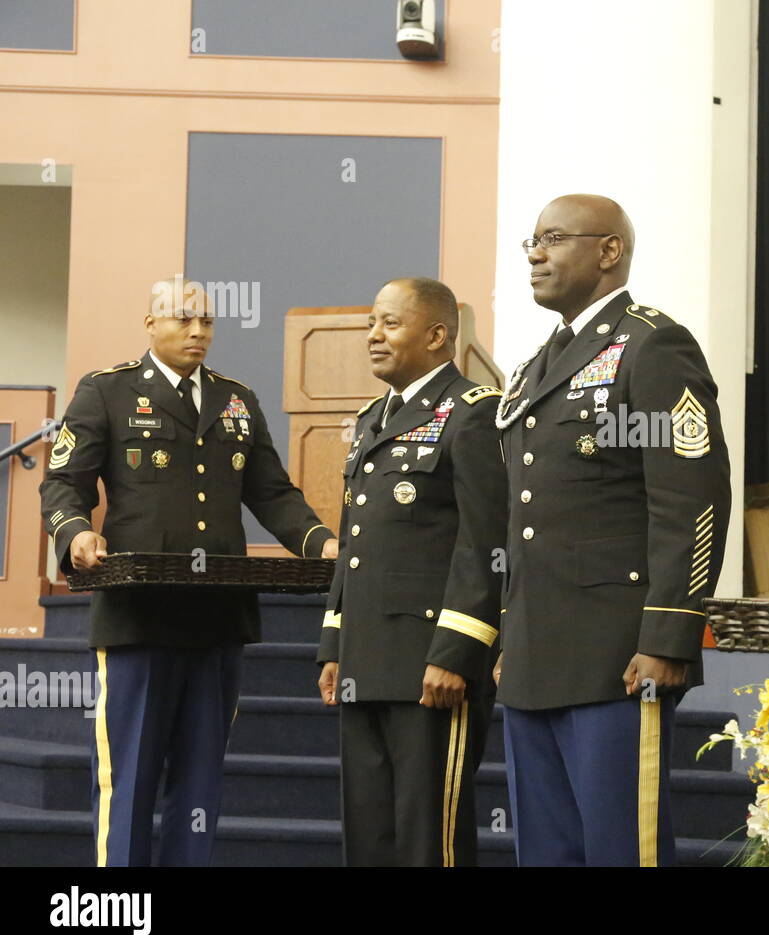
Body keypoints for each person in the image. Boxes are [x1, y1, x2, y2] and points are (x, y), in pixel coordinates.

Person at [39, 276, 338, 867]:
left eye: (205, 321)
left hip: (217, 618)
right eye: (182, 318)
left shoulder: (236, 398)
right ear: (151, 323)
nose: (197, 330)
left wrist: (320, 542)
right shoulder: (107, 391)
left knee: (201, 782)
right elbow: (63, 482)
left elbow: (272, 493)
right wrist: (74, 534)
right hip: (138, 616)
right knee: (128, 780)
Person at [494, 194, 732, 866]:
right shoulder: (537, 365)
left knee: (620, 849)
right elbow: (529, 520)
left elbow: (693, 498)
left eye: (554, 238)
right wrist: (515, 634)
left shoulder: (652, 343)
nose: (535, 254)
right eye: (531, 242)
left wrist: (669, 633)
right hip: (536, 656)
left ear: (608, 251)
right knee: (547, 853)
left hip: (619, 657)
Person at [316, 278, 506, 867]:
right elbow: (356, 544)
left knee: (429, 838)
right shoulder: (374, 417)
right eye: (372, 323)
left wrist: (456, 651)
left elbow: (486, 544)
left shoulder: (474, 413)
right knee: (369, 835)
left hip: (431, 664)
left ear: (437, 334)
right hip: (365, 659)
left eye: (389, 323)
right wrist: (334, 641)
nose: (374, 335)